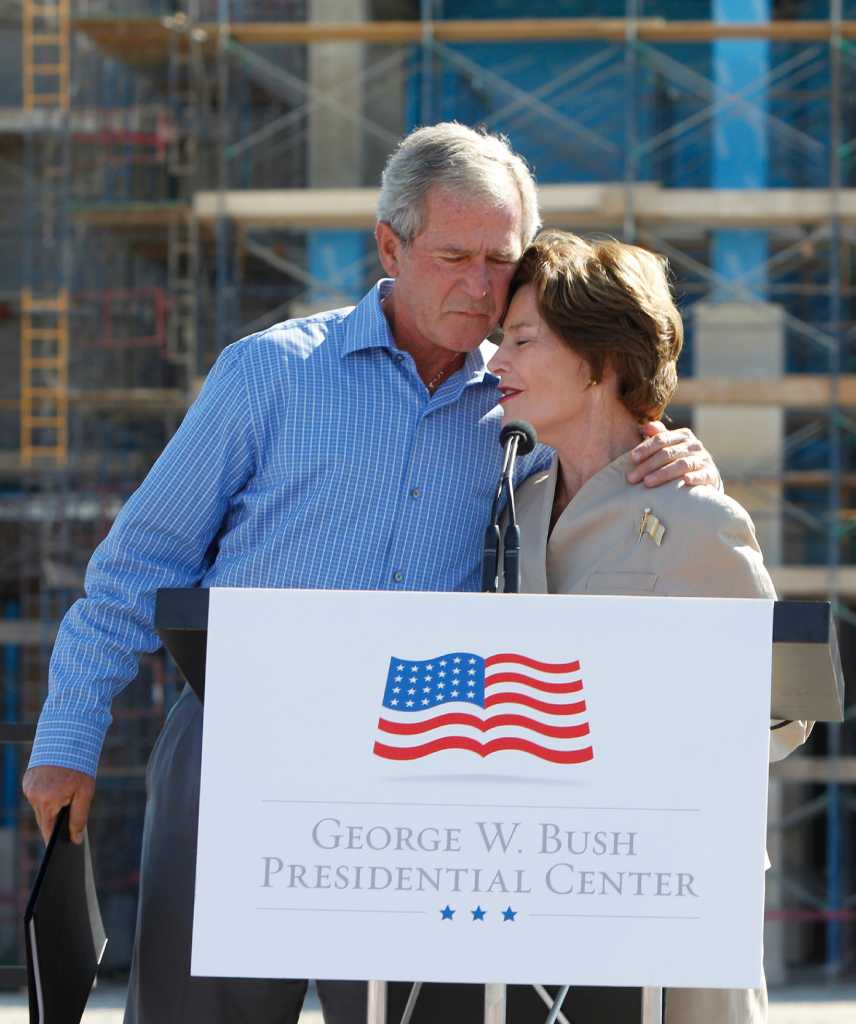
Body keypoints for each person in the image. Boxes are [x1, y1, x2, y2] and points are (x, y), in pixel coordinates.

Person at [22, 124, 721, 1024]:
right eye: (452, 255)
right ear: (389, 245)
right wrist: (68, 735)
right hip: (237, 743)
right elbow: (137, 566)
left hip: (424, 768)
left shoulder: (526, 403)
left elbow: (610, 448)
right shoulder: (269, 375)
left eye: (499, 261)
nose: (477, 287)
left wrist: (674, 455)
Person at [488, 229, 812, 1024]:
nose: (497, 362)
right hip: (535, 893)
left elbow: (781, 714)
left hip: (670, 895)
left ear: (600, 363)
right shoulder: (512, 507)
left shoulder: (696, 516)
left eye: (523, 341)